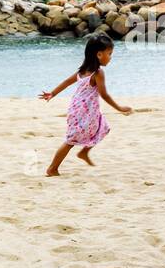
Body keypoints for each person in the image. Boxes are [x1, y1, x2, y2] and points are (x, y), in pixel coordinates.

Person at [38, 33, 132, 176]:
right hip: (85, 112)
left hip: (79, 110)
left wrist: (53, 93)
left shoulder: (82, 71)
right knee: (71, 141)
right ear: (99, 55)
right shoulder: (97, 73)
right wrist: (120, 108)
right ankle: (52, 168)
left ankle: (84, 152)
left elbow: (66, 82)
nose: (111, 57)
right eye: (110, 53)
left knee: (103, 127)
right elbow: (104, 95)